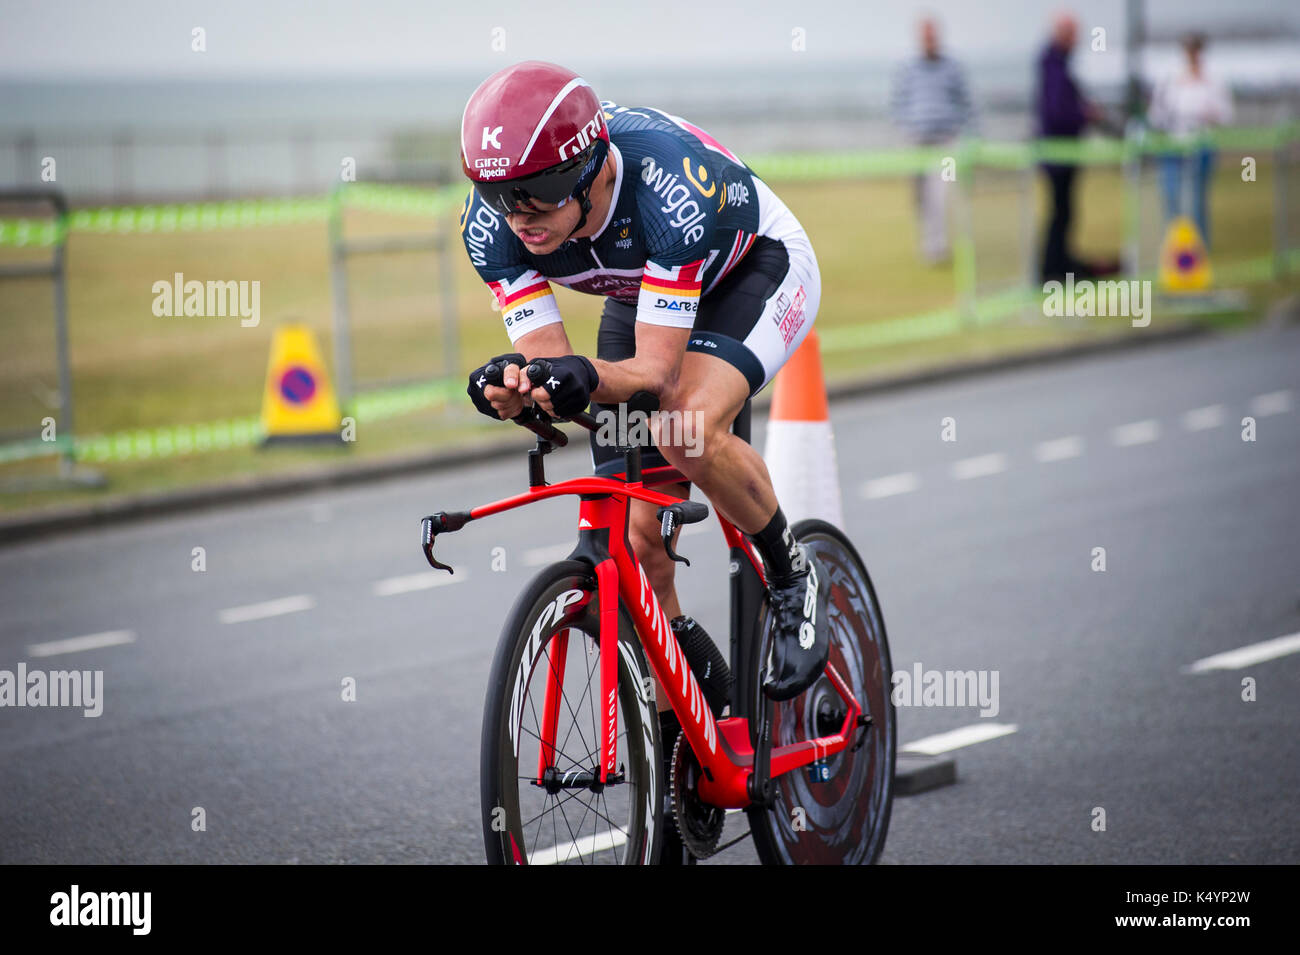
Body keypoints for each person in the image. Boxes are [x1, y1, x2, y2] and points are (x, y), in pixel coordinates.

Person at [459, 62, 830, 861]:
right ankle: (679, 719)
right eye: (501, 194)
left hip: (753, 266)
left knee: (684, 428)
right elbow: (561, 374)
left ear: (590, 171)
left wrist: (584, 380)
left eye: (541, 191)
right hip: (646, 286)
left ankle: (793, 576)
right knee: (635, 542)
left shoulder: (666, 190)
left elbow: (655, 377)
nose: (520, 215)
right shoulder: (493, 227)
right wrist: (520, 385)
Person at [1035, 11, 1117, 281]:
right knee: (1061, 213)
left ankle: (1059, 266)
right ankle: (1053, 270)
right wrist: (1085, 115)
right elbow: (1057, 112)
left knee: (1063, 212)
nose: (1077, 40)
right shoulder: (1053, 64)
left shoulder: (1055, 63)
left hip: (1060, 152)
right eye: (1073, 33)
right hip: (1057, 154)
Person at [889, 16, 976, 264]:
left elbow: (967, 104)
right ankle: (929, 244)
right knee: (920, 197)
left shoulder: (952, 67)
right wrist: (904, 130)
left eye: (932, 35)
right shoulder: (907, 68)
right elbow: (897, 104)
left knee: (940, 194)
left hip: (945, 140)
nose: (929, 41)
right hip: (916, 141)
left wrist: (970, 136)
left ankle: (938, 248)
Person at [1148, 33, 1233, 248]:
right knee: (1171, 197)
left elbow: (1225, 114)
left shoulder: (1214, 78)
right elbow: (1156, 113)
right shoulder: (1169, 76)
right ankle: (1175, 249)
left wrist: (1208, 115)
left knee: (1196, 201)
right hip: (1173, 145)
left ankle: (1199, 249)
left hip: (1201, 145)